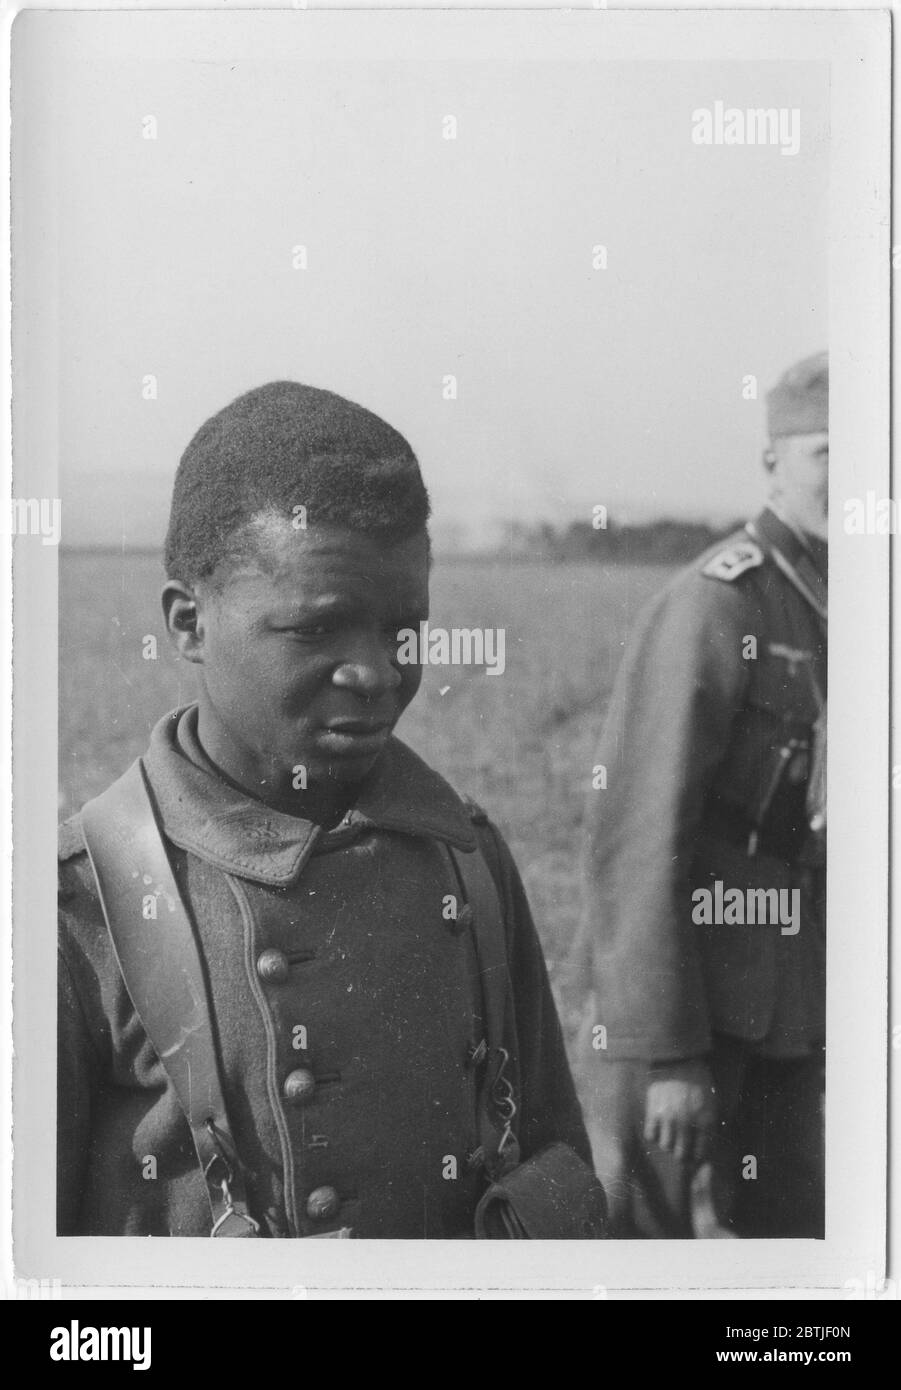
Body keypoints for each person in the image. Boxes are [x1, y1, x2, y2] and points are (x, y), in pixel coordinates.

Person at [57, 380, 595, 1238]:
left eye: (402, 630)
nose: (377, 674)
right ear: (189, 624)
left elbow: (549, 1151)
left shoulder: (465, 858)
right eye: (315, 630)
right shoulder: (82, 906)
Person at [574, 351, 828, 1238]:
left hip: (793, 1002)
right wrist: (666, 1052)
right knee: (661, 1246)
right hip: (691, 1007)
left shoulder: (845, 600)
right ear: (774, 464)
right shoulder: (722, 604)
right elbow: (637, 837)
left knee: (785, 1245)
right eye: (828, 454)